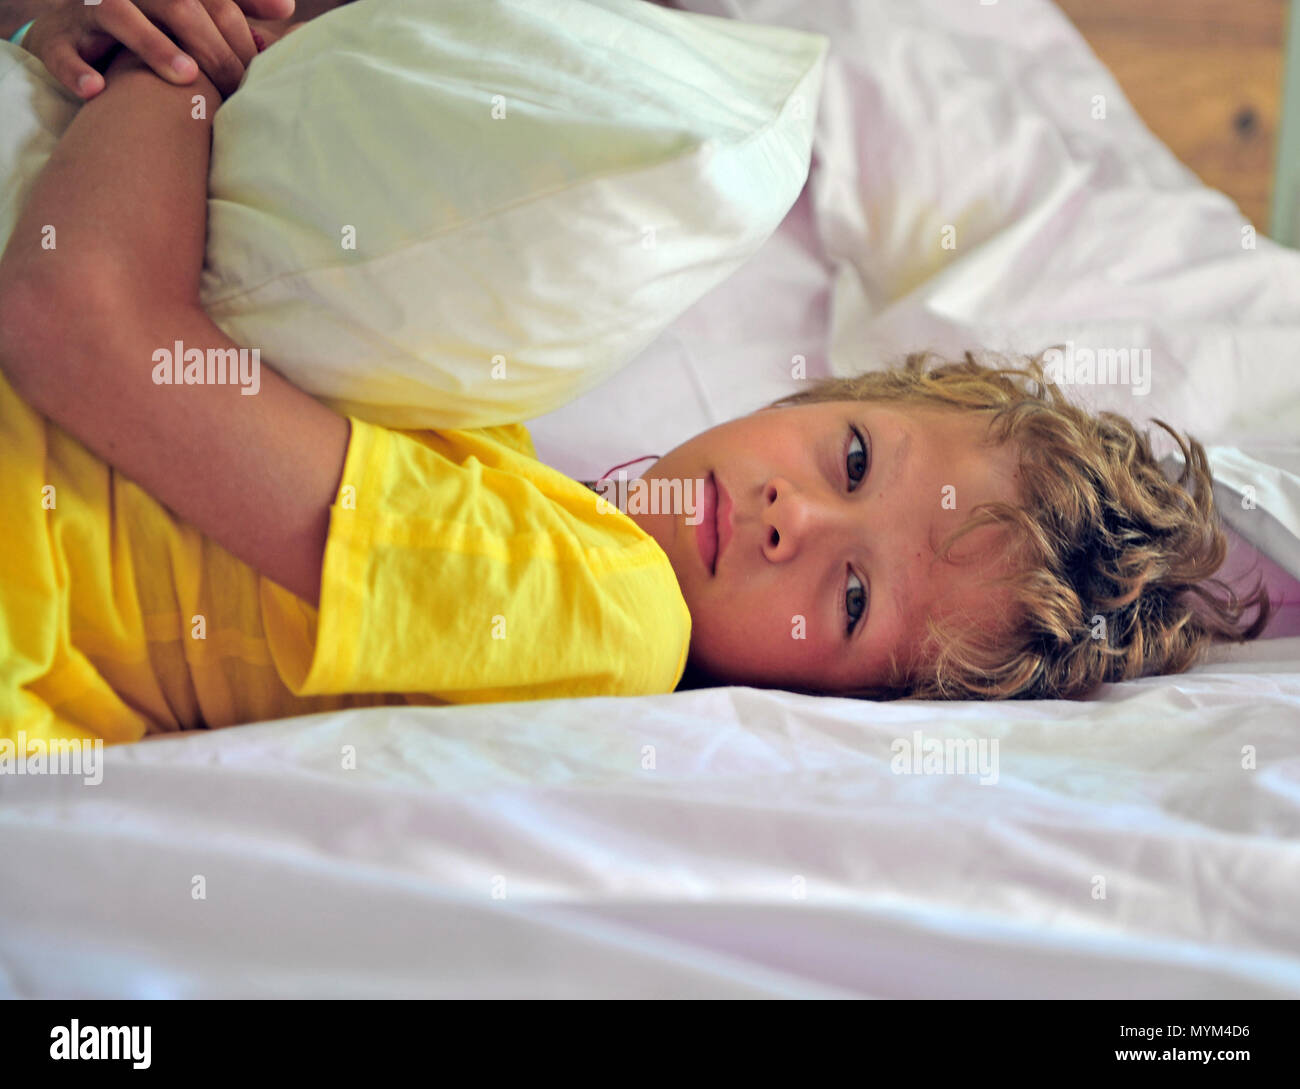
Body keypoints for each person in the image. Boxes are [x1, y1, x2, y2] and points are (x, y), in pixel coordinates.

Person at [0, 0, 1269, 746]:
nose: (793, 521)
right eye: (855, 463)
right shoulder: (519, 465)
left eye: (849, 598)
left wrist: (167, 74)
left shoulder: (603, 614)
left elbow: (81, 318)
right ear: (816, 399)